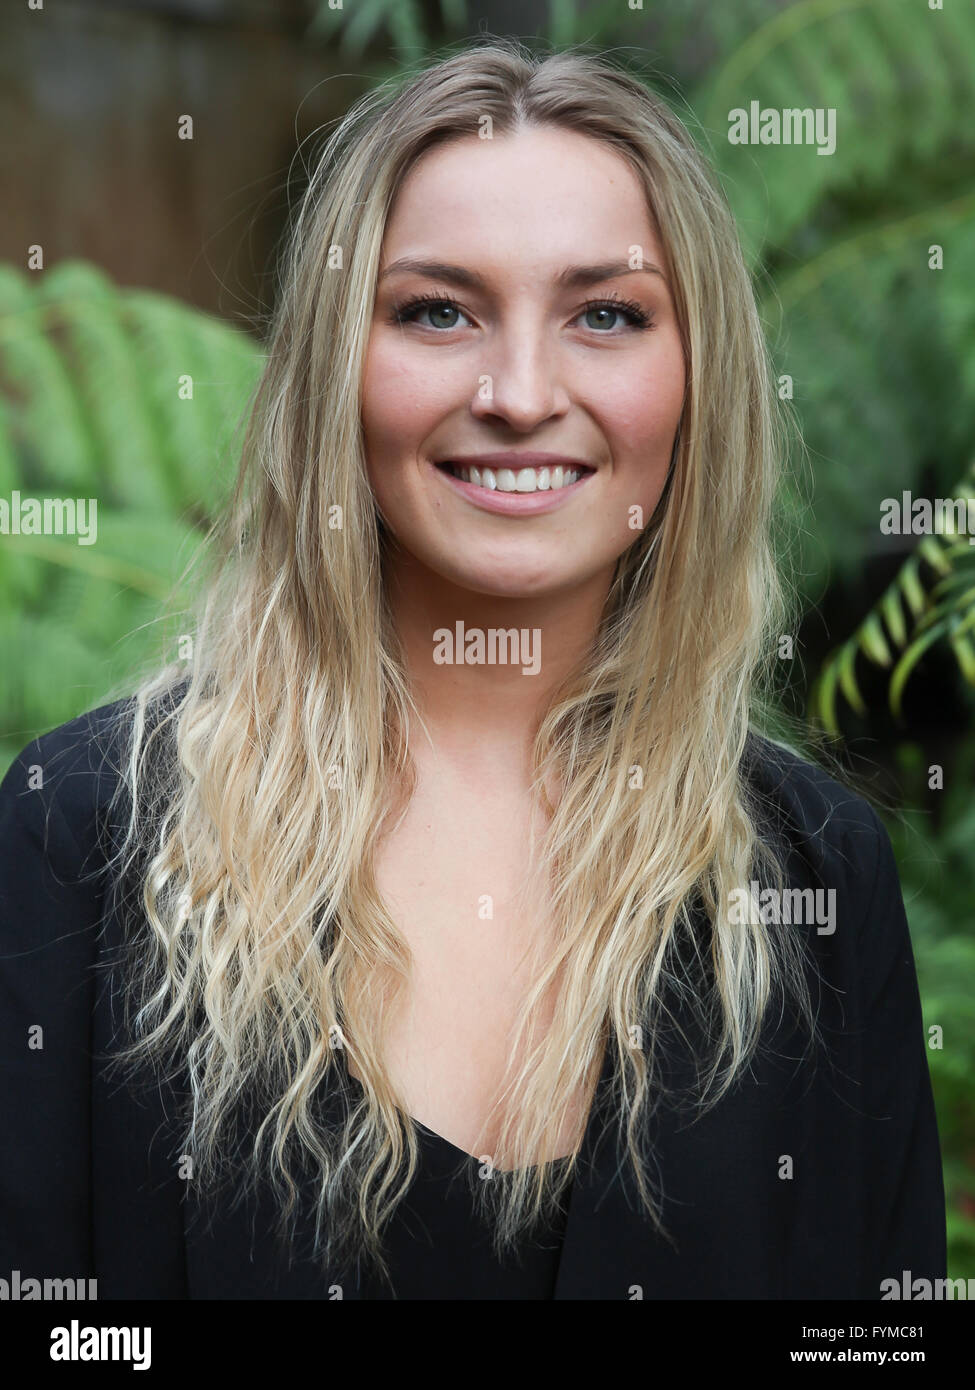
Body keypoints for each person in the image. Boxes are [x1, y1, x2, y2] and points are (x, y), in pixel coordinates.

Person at [0, 36, 946, 1300]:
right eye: (437, 310)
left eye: (605, 314)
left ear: (698, 378)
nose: (517, 392)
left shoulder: (816, 879)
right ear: (336, 366)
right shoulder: (84, 835)